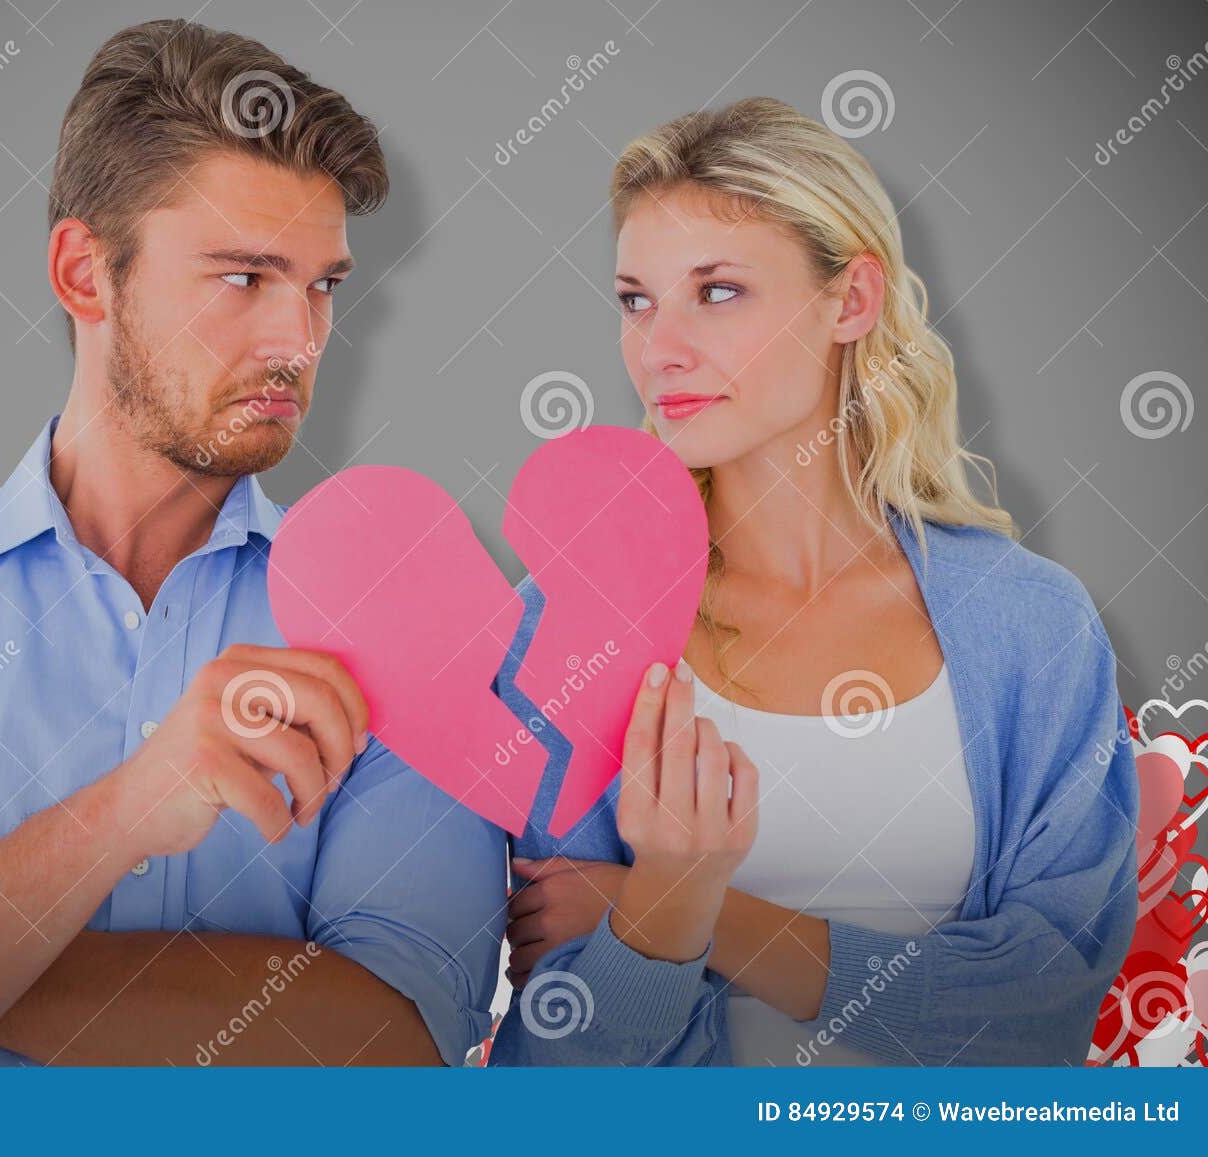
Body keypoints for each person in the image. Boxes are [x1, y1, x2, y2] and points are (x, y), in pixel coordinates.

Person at [0, 19, 506, 1068]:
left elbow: (394, 1050)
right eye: (244, 277)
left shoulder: (401, 628)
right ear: (83, 273)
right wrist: (128, 811)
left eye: (322, 285)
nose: (296, 341)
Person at [488, 97, 1138, 1066]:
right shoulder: (570, 628)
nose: (658, 348)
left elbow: (1040, 1010)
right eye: (635, 299)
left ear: (852, 300)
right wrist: (666, 914)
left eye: (717, 291)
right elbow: (558, 1071)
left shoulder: (1030, 624)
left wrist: (682, 904)